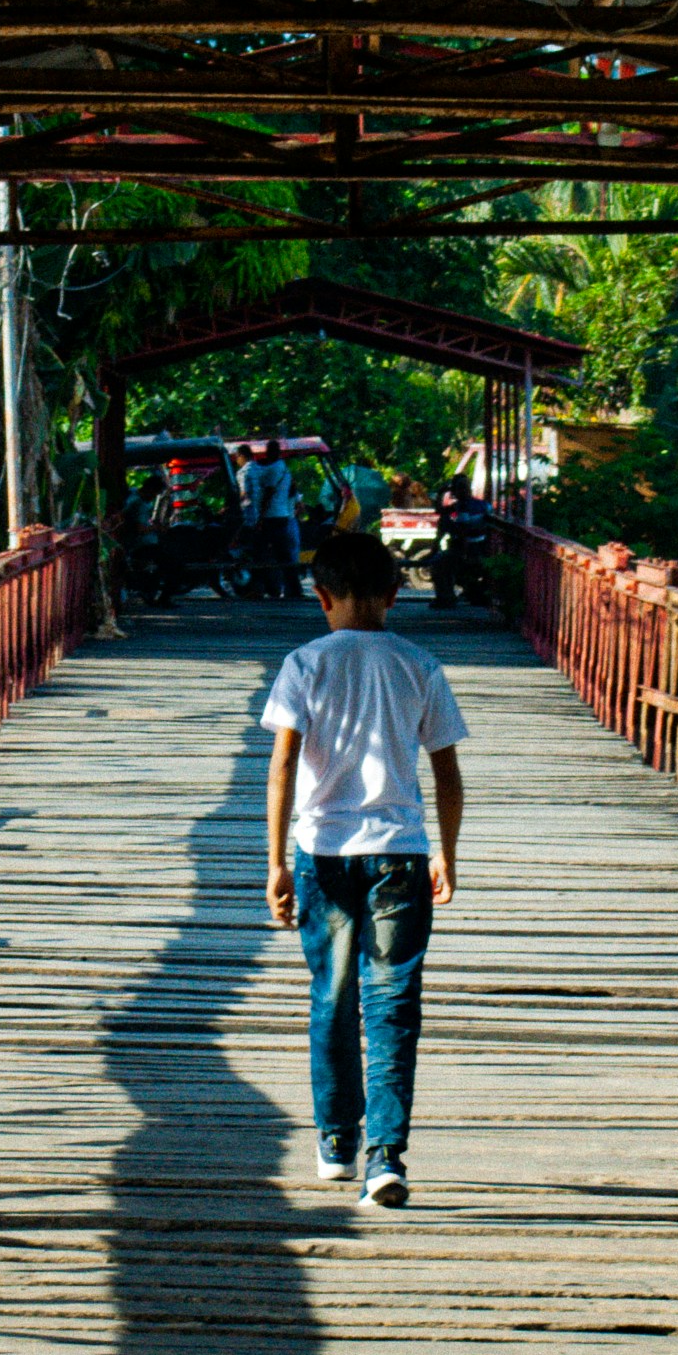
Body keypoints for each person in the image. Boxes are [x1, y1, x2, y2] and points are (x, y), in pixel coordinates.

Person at [259, 530, 467, 1207]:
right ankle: (386, 1155)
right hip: (400, 851)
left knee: (333, 994)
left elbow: (284, 765)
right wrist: (448, 851)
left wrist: (275, 864)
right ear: (394, 595)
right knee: (393, 1002)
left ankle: (334, 1140)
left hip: (322, 851)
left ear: (320, 597)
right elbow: (447, 772)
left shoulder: (303, 663)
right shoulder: (419, 664)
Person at [235, 438, 300, 597]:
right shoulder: (285, 468)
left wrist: (260, 518)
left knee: (260, 553)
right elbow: (292, 490)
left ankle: (257, 589)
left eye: (268, 452)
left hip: (270, 517)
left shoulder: (272, 470)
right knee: (283, 555)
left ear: (272, 452)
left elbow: (268, 495)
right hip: (283, 515)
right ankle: (294, 589)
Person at [428, 482, 495, 610]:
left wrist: (464, 553)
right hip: (477, 547)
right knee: (444, 524)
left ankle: (446, 597)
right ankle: (451, 595)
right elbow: (440, 511)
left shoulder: (465, 507)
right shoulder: (476, 505)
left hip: (472, 548)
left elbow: (464, 532)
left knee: (440, 563)